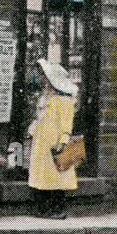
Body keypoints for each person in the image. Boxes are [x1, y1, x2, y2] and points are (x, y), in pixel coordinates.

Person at [28, 59, 78, 219]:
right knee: (42, 177)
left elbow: (66, 125)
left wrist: (64, 141)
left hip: (55, 144)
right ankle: (43, 208)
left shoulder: (64, 102)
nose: (43, 82)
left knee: (58, 178)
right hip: (42, 144)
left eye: (46, 79)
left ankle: (57, 209)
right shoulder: (46, 99)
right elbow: (40, 119)